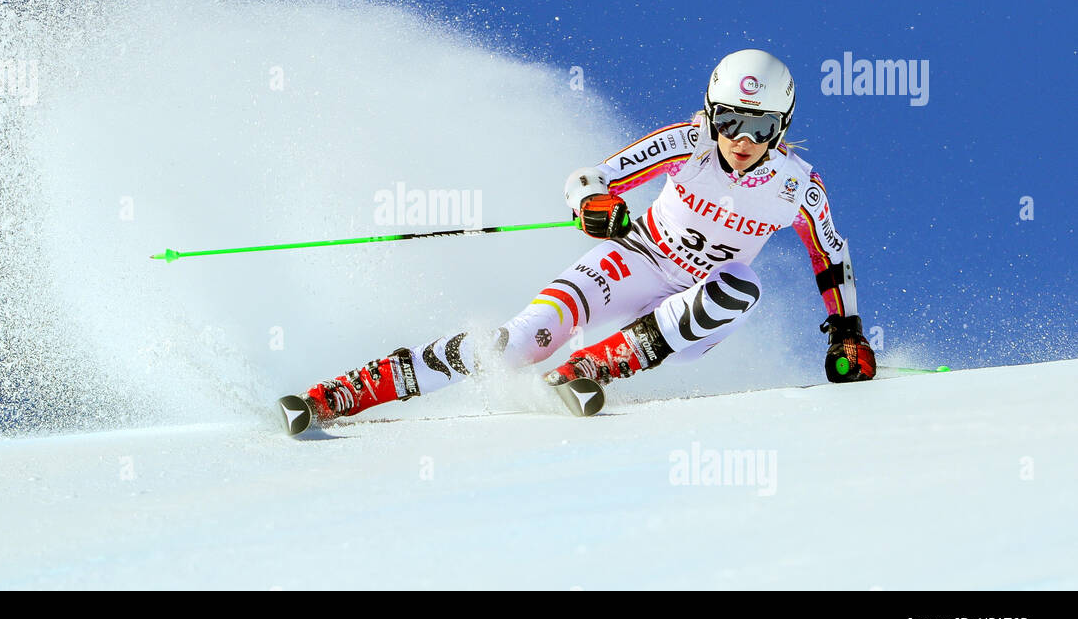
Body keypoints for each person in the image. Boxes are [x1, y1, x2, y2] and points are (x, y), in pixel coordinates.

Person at [288, 49, 876, 429]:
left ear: (782, 127)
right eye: (728, 120)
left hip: (693, 304)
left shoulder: (796, 187)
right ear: (709, 115)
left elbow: (831, 253)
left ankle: (593, 368)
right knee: (518, 341)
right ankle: (342, 394)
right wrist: (596, 205)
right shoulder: (687, 143)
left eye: (759, 126)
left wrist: (846, 332)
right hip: (634, 260)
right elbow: (590, 178)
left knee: (740, 289)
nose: (739, 139)